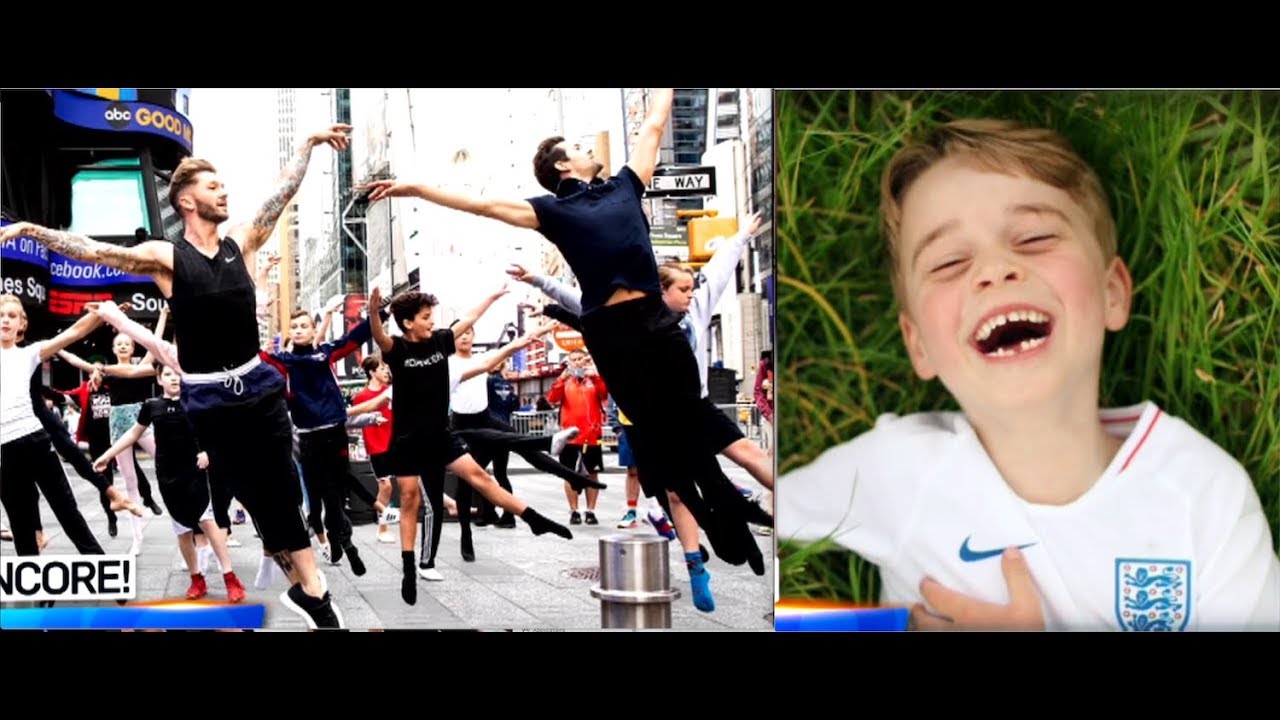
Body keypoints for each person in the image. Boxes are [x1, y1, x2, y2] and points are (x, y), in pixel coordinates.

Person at [776, 118, 1280, 631]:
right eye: (949, 262)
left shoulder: (1206, 497)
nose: (993, 269)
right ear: (919, 345)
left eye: (1035, 237)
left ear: (1113, 293)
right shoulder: (895, 470)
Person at [362, 89, 763, 574]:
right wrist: (416, 189)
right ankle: (708, 524)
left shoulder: (624, 186)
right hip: (611, 335)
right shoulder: (551, 211)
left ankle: (727, 510)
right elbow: (482, 205)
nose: (587, 148)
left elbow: (654, 126)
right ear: (563, 168)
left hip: (656, 324)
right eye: (576, 147)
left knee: (692, 420)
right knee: (658, 437)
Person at [1, 123, 354, 629]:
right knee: (253, 495)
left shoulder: (241, 244)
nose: (224, 191)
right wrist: (32, 230)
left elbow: (281, 194)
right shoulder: (168, 258)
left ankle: (313, 592)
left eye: (223, 185)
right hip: (209, 400)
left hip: (258, 387)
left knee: (278, 486)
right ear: (187, 201)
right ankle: (303, 585)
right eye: (213, 187)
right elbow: (94, 250)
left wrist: (307, 147)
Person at [368, 286, 572, 604]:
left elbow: (471, 317)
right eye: (425, 317)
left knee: (481, 477)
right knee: (409, 500)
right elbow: (379, 335)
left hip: (440, 436)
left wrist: (492, 296)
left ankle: (533, 519)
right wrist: (372, 310)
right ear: (408, 323)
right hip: (407, 441)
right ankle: (409, 569)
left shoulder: (440, 341)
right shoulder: (397, 350)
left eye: (432, 316)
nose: (431, 321)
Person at [94, 364, 247, 603]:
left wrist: (208, 452)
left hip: (195, 471)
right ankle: (197, 579)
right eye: (167, 374)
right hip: (168, 475)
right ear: (159, 379)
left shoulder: (196, 401)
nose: (174, 378)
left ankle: (230, 577)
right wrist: (107, 454)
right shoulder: (151, 406)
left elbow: (216, 431)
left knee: (207, 521)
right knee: (182, 529)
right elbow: (134, 434)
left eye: (177, 374)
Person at [0, 295, 109, 556]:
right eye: (1, 314)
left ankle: (102, 572)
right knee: (20, 524)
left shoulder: (28, 354)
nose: (5, 319)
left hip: (34, 440)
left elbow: (74, 332)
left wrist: (103, 313)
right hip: (5, 450)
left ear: (21, 325)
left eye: (12, 316)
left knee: (67, 511)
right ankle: (32, 589)